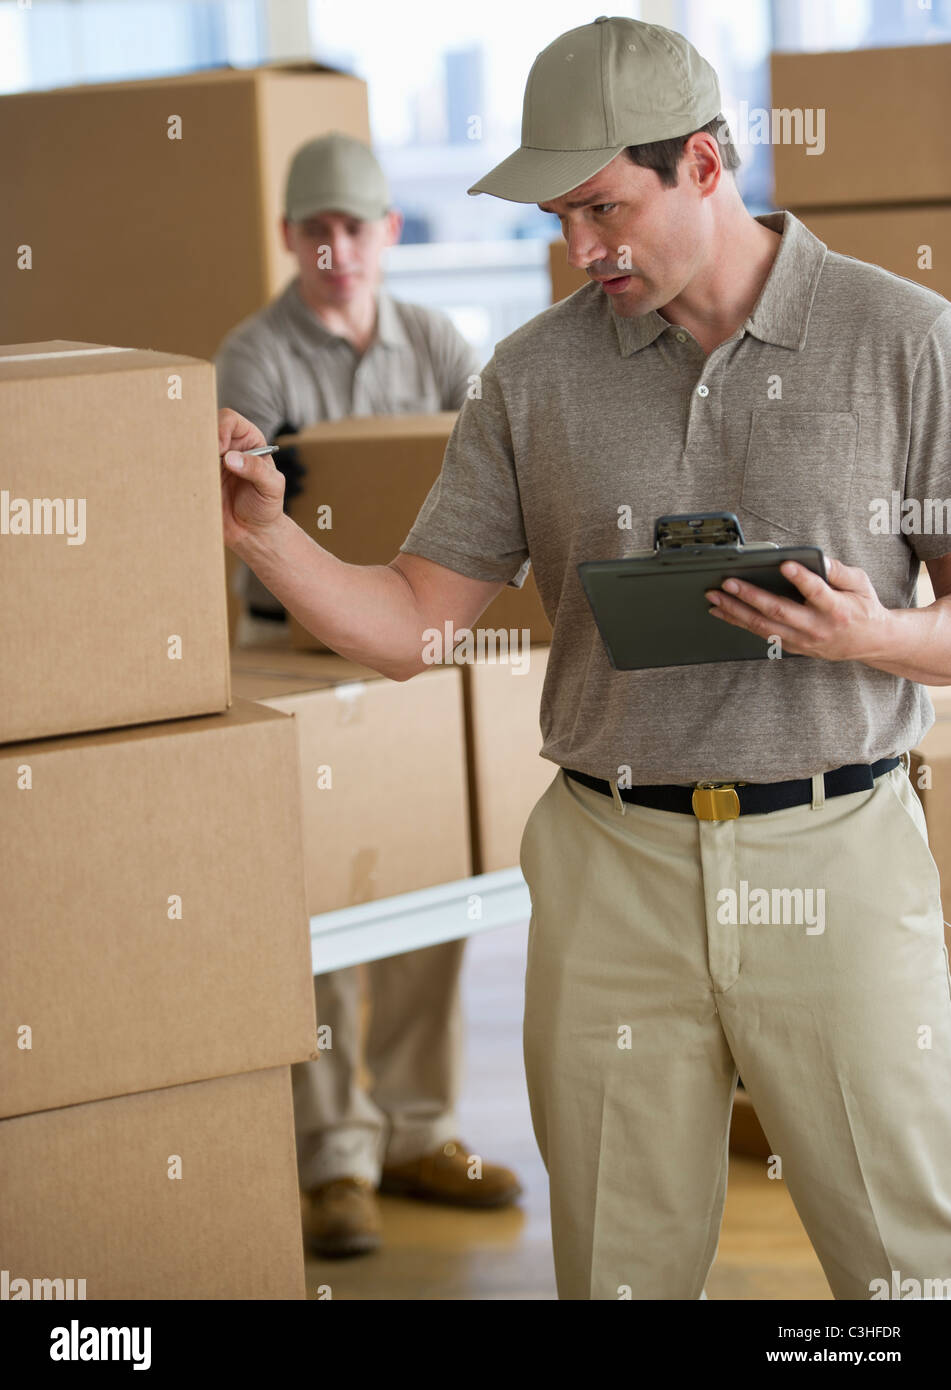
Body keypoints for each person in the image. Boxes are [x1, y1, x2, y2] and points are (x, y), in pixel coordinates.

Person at [218, 17, 951, 1299]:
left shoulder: (905, 339)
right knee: (616, 1274)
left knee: (908, 1270)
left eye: (606, 205)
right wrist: (269, 538)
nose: (582, 246)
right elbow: (415, 622)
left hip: (839, 856)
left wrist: (870, 634)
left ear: (708, 168)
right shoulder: (531, 376)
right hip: (611, 867)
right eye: (561, 213)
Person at [215, 131, 521, 1258]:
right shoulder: (253, 357)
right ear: (290, 238)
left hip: (420, 638)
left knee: (434, 891)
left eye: (356, 227)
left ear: (388, 233)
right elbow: (261, 520)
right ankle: (335, 1158)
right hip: (292, 657)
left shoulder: (439, 344)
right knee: (325, 913)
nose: (337, 249)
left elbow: (484, 484)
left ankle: (418, 1132)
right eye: (315, 231)